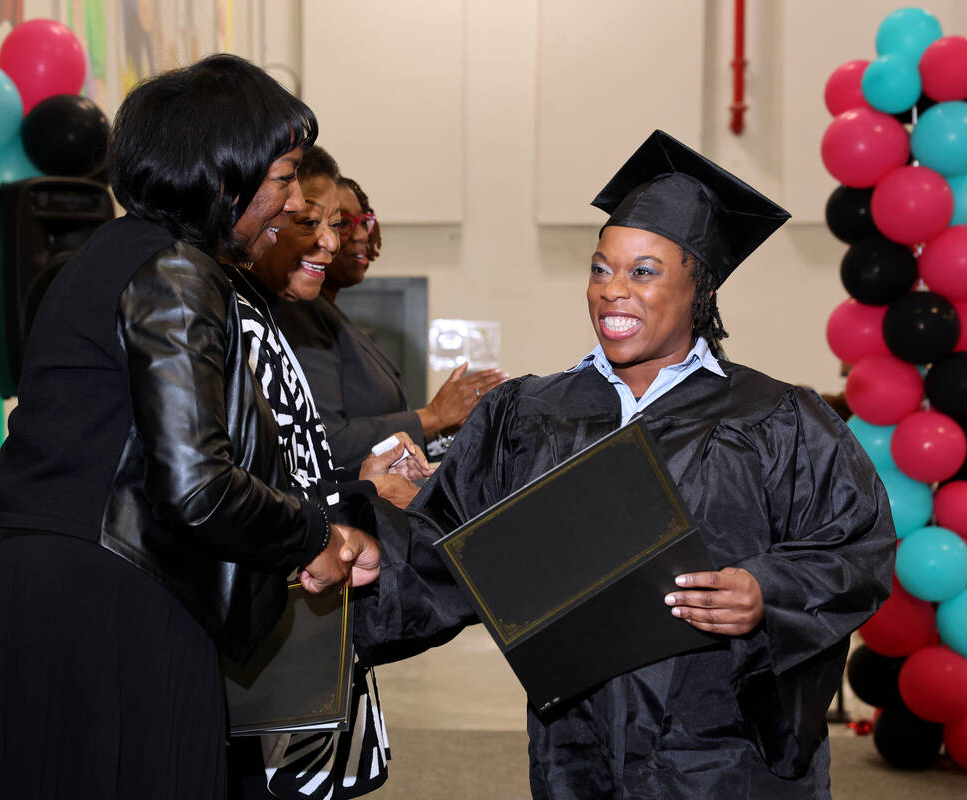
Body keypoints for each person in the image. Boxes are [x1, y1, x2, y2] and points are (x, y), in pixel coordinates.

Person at [353, 130, 896, 798]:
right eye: (600, 268)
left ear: (699, 285)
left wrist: (766, 591)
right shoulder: (527, 414)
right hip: (578, 751)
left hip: (724, 756)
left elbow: (856, 547)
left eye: (644, 271)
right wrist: (364, 539)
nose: (613, 290)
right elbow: (447, 548)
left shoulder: (777, 417)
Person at [0, 55, 380, 800]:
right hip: (105, 606)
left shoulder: (103, 255)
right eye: (285, 176)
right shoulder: (175, 269)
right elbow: (195, 484)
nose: (295, 202)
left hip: (23, 590)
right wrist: (312, 534)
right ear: (222, 174)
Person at [226, 145, 430, 799]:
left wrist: (363, 476)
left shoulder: (273, 319)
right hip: (274, 615)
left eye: (336, 224)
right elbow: (242, 497)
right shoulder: (235, 324)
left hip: (313, 602)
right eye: (304, 215)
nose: (326, 240)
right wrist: (363, 490)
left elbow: (296, 465)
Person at [274, 173, 507, 471]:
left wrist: (444, 434)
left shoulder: (331, 316)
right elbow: (325, 441)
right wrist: (432, 415)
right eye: (343, 223)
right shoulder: (297, 311)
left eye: (364, 222)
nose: (360, 235)